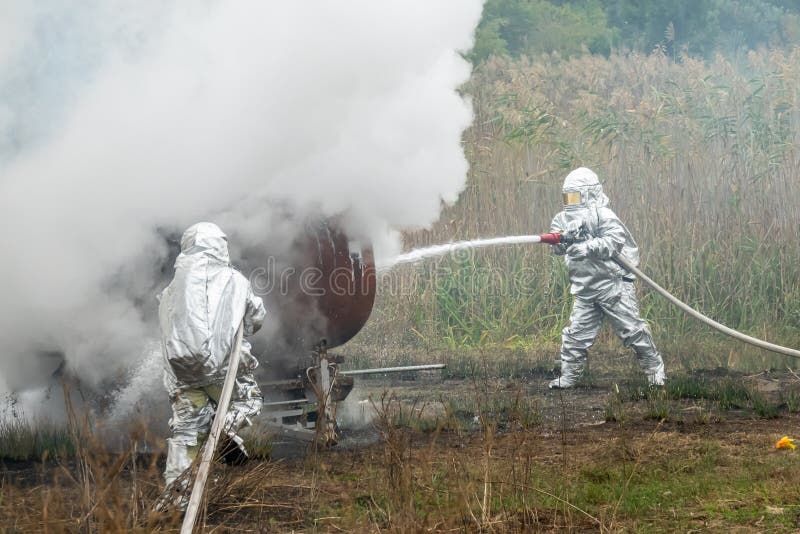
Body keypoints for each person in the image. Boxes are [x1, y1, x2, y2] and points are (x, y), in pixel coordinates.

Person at [158, 222, 267, 489]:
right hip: (222, 370)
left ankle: (176, 494)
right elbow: (257, 317)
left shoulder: (170, 291)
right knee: (248, 402)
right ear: (219, 245)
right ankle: (222, 435)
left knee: (186, 433)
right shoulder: (234, 280)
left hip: (181, 377)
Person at [548, 167, 665, 389]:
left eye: (575, 196)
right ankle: (570, 376)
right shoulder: (561, 219)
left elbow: (614, 241)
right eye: (567, 196)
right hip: (585, 290)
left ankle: (654, 369)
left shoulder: (603, 215)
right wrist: (561, 243)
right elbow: (557, 247)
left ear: (589, 194)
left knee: (633, 331)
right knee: (575, 336)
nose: (571, 201)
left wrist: (587, 248)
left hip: (614, 287)